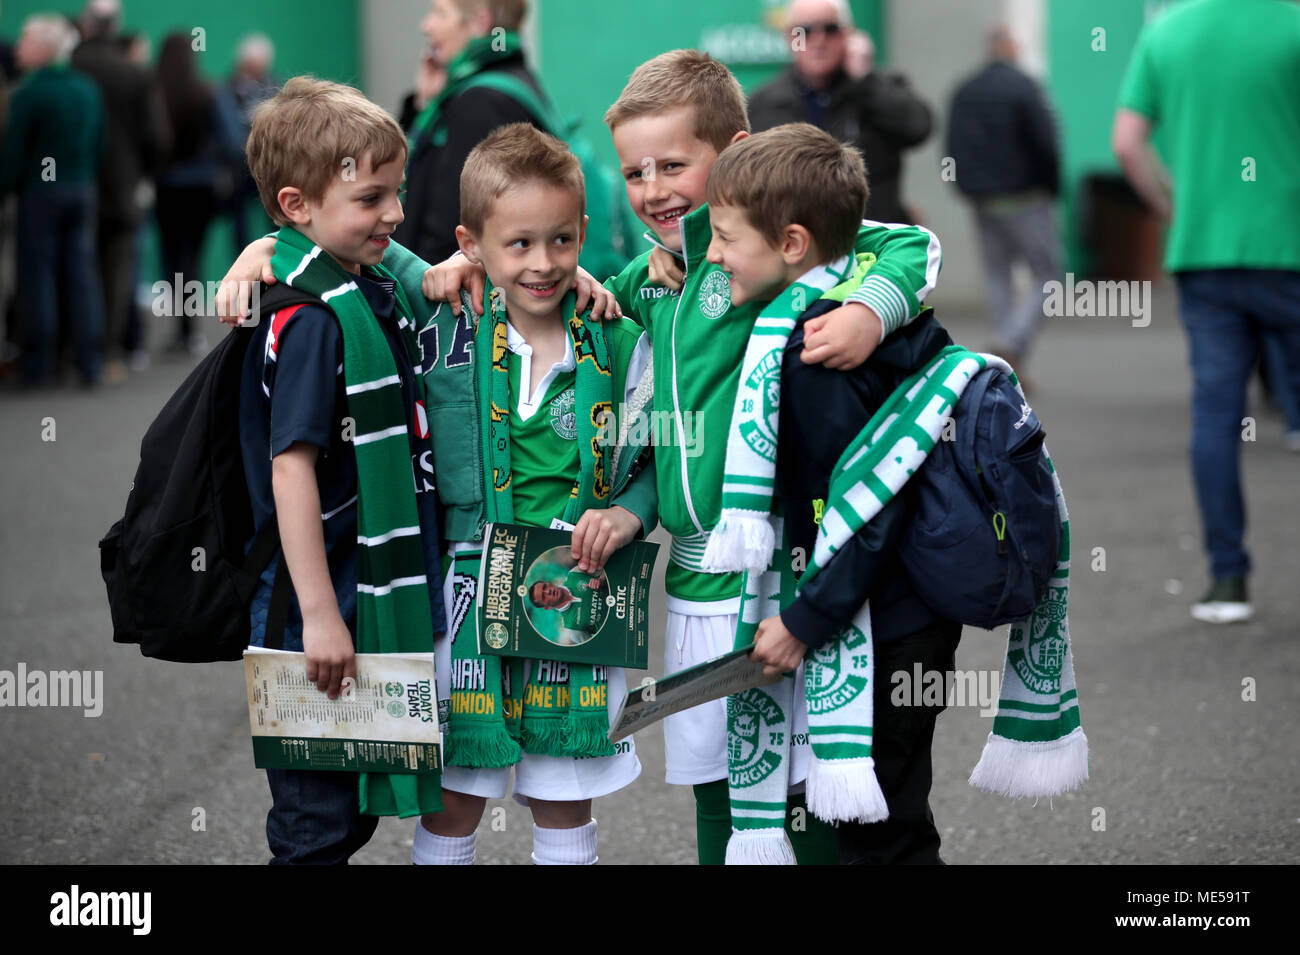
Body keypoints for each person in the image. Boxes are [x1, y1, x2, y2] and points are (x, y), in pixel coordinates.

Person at [703, 123, 962, 863]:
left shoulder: (820, 351)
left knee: (884, 837)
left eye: (724, 236)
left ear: (791, 244)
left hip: (891, 616)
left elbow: (868, 506)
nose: (713, 253)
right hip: (909, 610)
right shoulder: (853, 303)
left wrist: (806, 619)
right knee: (894, 816)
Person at [410, 123, 656, 866]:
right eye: (517, 244)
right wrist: (262, 251)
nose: (543, 263)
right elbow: (352, 254)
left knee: (562, 792)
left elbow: (657, 465)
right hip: (465, 598)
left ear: (583, 232)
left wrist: (628, 512)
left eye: (560, 241)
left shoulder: (619, 336)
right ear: (471, 242)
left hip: (576, 594)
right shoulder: (444, 322)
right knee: (455, 796)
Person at [237, 77, 448, 863]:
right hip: (312, 611)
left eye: (397, 193)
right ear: (298, 206)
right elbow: (290, 469)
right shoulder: (318, 321)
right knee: (314, 824)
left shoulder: (361, 287)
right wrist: (321, 618)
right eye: (371, 199)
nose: (393, 215)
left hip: (355, 590)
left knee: (345, 814)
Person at [1113, 0, 1300, 624]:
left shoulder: (1167, 33)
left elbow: (1128, 145)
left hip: (1204, 254)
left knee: (1217, 417)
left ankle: (1228, 580)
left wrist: (1175, 209)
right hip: (1289, 247)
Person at [748, 0, 932, 226]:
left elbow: (918, 127)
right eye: (805, 31)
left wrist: (865, 81)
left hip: (873, 238)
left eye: (830, 29)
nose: (818, 41)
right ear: (790, 38)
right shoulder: (763, 102)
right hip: (798, 241)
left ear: (849, 34)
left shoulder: (878, 87)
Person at [396, 0, 551, 265]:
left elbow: (451, 225)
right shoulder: (506, 86)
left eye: (440, 13)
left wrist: (420, 293)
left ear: (480, 21)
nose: (426, 26)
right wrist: (424, 104)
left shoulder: (482, 104)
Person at [947, 24, 1061, 377]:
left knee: (997, 277)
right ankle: (1010, 343)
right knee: (1050, 276)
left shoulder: (965, 90)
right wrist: (1052, 186)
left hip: (983, 201)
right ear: (1011, 49)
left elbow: (953, 147)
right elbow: (1046, 142)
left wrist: (966, 187)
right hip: (1026, 197)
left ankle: (1003, 358)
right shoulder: (1025, 87)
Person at [0, 14, 106, 387]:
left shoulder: (30, 94)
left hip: (41, 195)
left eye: (26, 39)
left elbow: (13, 156)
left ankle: (39, 366)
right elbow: (99, 145)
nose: (19, 47)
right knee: (81, 276)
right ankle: (89, 364)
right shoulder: (87, 90)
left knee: (38, 278)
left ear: (44, 47)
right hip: (83, 190)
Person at [71, 0, 167, 381]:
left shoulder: (70, 68)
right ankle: (108, 354)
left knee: (72, 270)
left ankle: (68, 355)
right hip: (122, 190)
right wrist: (141, 174)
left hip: (71, 182)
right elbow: (156, 139)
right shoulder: (134, 74)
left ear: (86, 23)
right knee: (117, 271)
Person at [153, 31, 242, 356]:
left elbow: (149, 140)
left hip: (166, 186)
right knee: (192, 255)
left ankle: (181, 329)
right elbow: (233, 140)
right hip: (202, 187)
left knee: (172, 256)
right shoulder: (208, 91)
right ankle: (190, 331)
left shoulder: (156, 93)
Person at [221, 33, 277, 252]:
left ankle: (273, 263)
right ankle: (242, 267)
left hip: (268, 166)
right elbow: (227, 130)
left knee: (274, 217)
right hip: (238, 168)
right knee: (239, 224)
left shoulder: (273, 87)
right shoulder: (227, 89)